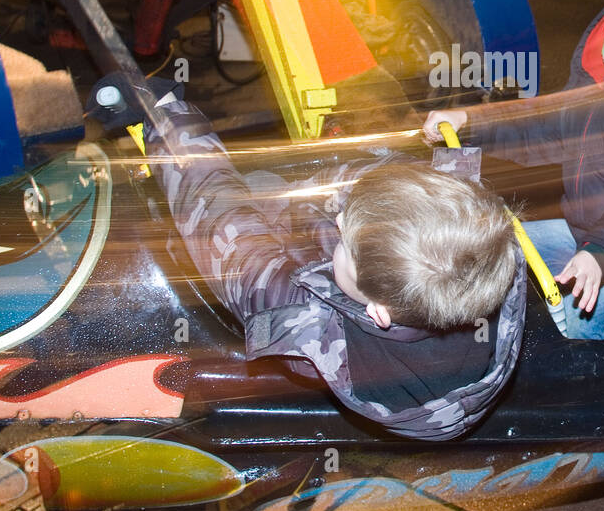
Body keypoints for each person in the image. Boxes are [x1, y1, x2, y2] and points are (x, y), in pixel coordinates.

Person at [92, 76, 527, 441]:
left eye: (346, 244)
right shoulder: (485, 254)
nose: (338, 223)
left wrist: (168, 118)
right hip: (407, 339)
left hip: (326, 316)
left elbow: (219, 219)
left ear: (377, 311)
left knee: (256, 190)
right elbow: (447, 208)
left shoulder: (303, 320)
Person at [423, 0, 604, 341]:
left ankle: (597, 376)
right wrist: (469, 120)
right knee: (497, 243)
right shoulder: (590, 104)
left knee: (574, 317)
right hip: (585, 236)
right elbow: (531, 128)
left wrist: (601, 253)